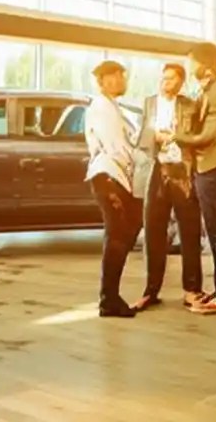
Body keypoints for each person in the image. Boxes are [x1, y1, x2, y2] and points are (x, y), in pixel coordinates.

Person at [163, 42, 216, 314]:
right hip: (206, 165)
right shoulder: (211, 87)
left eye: (191, 63)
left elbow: (208, 135)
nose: (189, 68)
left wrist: (177, 137)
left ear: (205, 64)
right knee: (215, 229)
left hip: (213, 166)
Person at [131, 62, 205, 311]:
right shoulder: (150, 102)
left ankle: (192, 290)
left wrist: (178, 139)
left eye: (171, 79)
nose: (165, 83)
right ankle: (151, 290)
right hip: (158, 169)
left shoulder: (189, 106)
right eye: (163, 78)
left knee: (190, 231)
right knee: (153, 230)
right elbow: (142, 137)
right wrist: (155, 137)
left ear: (181, 82)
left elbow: (196, 138)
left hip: (182, 171)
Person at [84, 60, 142, 319]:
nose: (120, 79)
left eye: (122, 75)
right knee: (118, 237)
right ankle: (108, 299)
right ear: (101, 82)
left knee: (123, 234)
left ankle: (110, 296)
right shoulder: (102, 107)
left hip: (116, 177)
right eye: (113, 76)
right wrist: (137, 161)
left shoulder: (114, 107)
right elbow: (117, 147)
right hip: (109, 177)